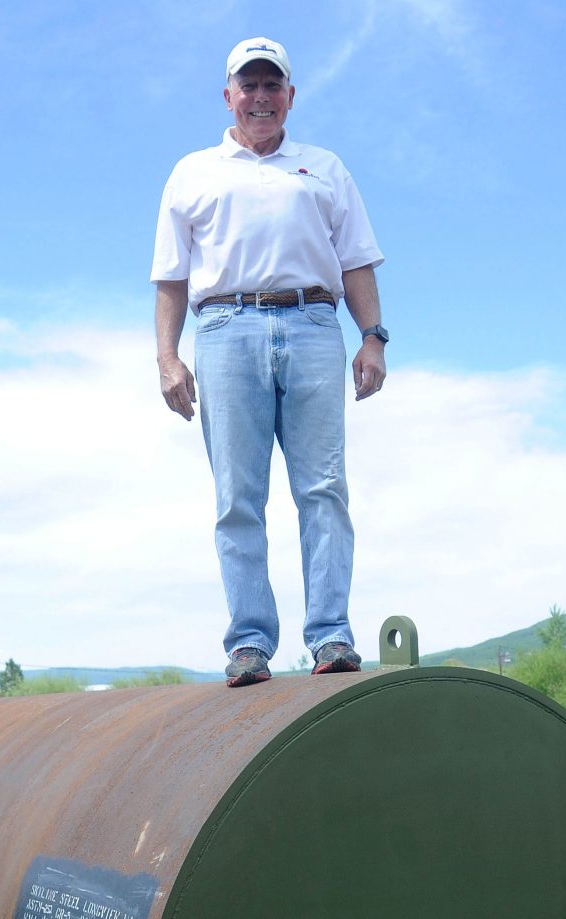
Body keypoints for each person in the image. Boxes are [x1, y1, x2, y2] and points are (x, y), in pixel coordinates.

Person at [152, 37, 388, 688]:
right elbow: (170, 277)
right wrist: (167, 356)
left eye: (272, 85)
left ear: (290, 96)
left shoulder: (325, 168)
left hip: (314, 323)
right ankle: (250, 642)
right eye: (248, 85)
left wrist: (373, 335)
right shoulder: (193, 172)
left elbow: (357, 260)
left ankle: (331, 637)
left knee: (323, 490)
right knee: (238, 497)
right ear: (228, 95)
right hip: (225, 328)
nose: (260, 97)